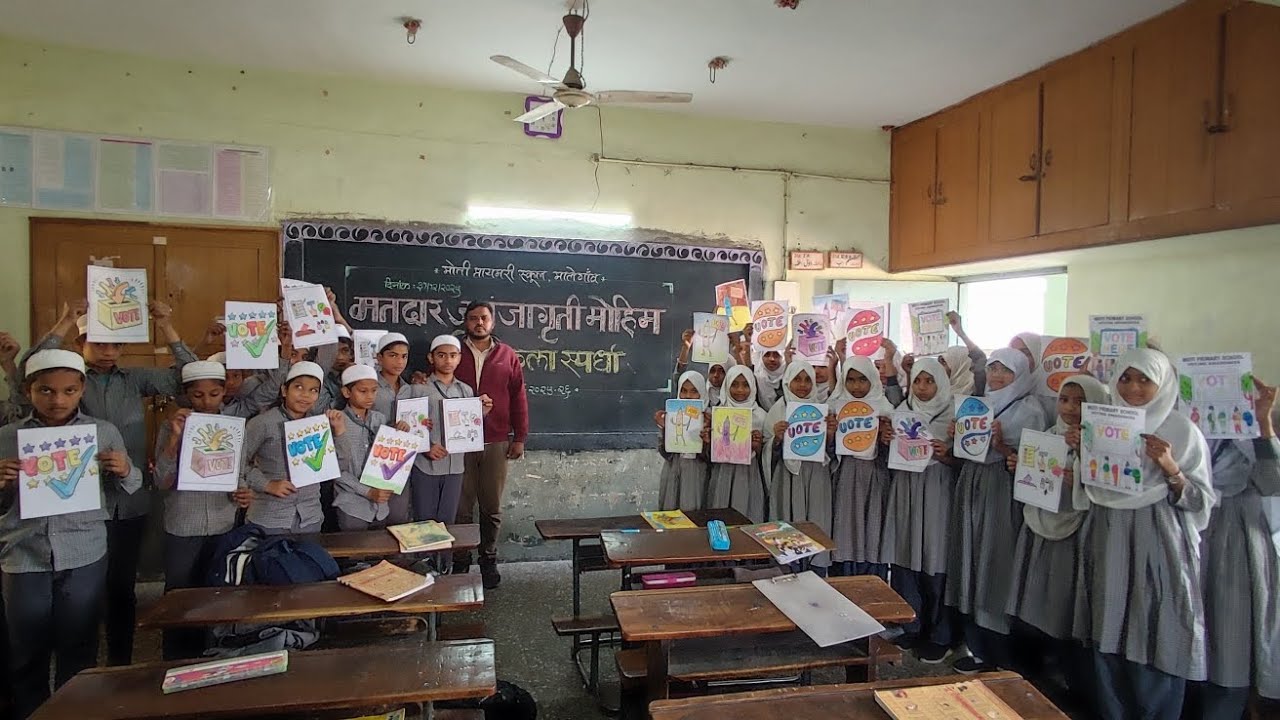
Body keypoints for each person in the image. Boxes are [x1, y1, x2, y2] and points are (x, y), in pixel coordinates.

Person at [18, 300, 196, 667]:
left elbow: (189, 376)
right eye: (99, 342)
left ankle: (120, 663)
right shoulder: (64, 379)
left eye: (116, 344)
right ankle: (68, 664)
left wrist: (166, 325)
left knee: (121, 588)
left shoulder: (133, 378)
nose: (108, 351)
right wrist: (65, 320)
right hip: (71, 506)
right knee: (76, 593)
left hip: (127, 498)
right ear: (81, 340)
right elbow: (30, 367)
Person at [1073, 349, 1213, 720]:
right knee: (1108, 623)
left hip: (1159, 540)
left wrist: (1170, 468)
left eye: (1144, 380)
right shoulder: (1101, 422)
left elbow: (1202, 502)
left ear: (1163, 383)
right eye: (1125, 378)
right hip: (1107, 534)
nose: (1133, 388)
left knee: (1157, 627)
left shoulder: (1182, 431)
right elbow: (1088, 486)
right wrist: (1078, 453)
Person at [0, 349, 141, 718]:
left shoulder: (102, 432)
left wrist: (125, 469)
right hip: (23, 553)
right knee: (25, 645)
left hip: (84, 551)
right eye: (46, 391)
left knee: (78, 642)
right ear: (29, 391)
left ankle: (75, 711)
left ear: (82, 389)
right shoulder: (8, 437)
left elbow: (130, 485)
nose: (58, 400)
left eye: (68, 390)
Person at [946, 349, 1050, 673]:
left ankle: (1002, 654)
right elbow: (965, 449)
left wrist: (1003, 447)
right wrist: (956, 437)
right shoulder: (977, 403)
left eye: (1005, 371)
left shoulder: (1030, 410)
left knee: (997, 561)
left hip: (1003, 490)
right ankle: (977, 648)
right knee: (971, 557)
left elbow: (1035, 462)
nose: (997, 377)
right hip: (973, 483)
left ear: (1020, 375)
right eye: (993, 369)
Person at [1006, 375, 1107, 693]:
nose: (1071, 408)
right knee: (1035, 598)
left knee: (1065, 607)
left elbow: (1106, 491)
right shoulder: (1048, 437)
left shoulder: (1102, 444)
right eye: (1064, 400)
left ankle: (1072, 683)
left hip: (1073, 532)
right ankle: (1036, 672)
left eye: (1081, 402)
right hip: (1039, 525)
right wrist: (1018, 467)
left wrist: (1077, 477)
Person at [1184, 379, 1279, 719]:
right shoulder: (1187, 431)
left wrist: (1263, 422)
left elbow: (1273, 482)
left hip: (1236, 542)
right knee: (1193, 632)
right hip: (1191, 533)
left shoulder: (1256, 435)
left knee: (1229, 638)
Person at [153, 360, 253, 659]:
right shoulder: (171, 427)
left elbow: (239, 473)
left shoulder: (235, 429)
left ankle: (212, 654)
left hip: (223, 521)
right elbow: (161, 479)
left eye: (214, 393)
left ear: (224, 391)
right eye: (198, 395)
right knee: (180, 595)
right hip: (184, 524)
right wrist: (174, 440)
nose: (207, 401)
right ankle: (174, 658)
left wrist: (243, 493)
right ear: (186, 395)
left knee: (216, 591)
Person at [453, 301, 528, 590]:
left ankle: (488, 558)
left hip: (496, 440)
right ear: (466, 322)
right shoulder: (453, 352)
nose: (479, 323)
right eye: (473, 319)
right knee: (461, 507)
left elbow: (518, 396)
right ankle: (460, 560)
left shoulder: (507, 355)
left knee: (491, 506)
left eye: (484, 318)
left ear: (493, 322)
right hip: (459, 441)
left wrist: (519, 436)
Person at [886, 357, 956, 663]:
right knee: (905, 552)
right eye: (917, 381)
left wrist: (947, 455)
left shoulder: (954, 416)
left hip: (937, 489)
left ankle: (939, 633)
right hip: (906, 488)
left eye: (929, 381)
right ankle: (909, 624)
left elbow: (967, 462)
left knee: (934, 556)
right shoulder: (901, 413)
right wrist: (885, 439)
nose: (923, 387)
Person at [244, 362, 339, 535]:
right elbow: (237, 462)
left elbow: (337, 464)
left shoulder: (319, 425)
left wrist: (339, 433)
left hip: (310, 517)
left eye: (313, 390)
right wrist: (266, 484)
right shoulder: (262, 423)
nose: (305, 395)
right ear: (284, 390)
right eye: (299, 387)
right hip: (270, 517)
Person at [407, 335, 492, 529]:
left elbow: (470, 426)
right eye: (442, 355)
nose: (448, 360)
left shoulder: (466, 391)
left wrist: (482, 414)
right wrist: (425, 447)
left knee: (447, 521)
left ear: (459, 358)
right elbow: (408, 425)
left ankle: (445, 560)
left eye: (453, 355)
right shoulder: (419, 388)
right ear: (431, 358)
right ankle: (425, 560)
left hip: (455, 467)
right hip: (426, 465)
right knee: (424, 521)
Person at [829, 356, 897, 579]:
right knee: (844, 529)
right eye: (850, 380)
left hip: (874, 478)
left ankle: (872, 584)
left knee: (872, 529)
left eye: (862, 379)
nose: (856, 386)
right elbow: (825, 451)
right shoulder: (834, 408)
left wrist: (886, 439)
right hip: (844, 477)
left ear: (873, 380)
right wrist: (830, 434)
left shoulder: (886, 409)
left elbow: (895, 458)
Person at [764, 361, 834, 570]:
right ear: (787, 381)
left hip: (816, 479)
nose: (802, 385)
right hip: (786, 480)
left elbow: (830, 453)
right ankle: (787, 573)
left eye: (807, 380)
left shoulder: (823, 410)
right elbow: (766, 455)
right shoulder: (776, 412)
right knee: (787, 527)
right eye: (797, 379)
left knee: (816, 526)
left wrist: (830, 435)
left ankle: (815, 576)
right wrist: (775, 439)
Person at [332, 365, 392, 531]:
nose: (370, 396)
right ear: (346, 392)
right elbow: (334, 470)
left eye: (374, 390)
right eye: (363, 391)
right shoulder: (337, 421)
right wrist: (367, 492)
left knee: (379, 553)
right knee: (354, 553)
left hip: (381, 504)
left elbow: (387, 459)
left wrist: (399, 435)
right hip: (351, 504)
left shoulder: (379, 419)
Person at [704, 366, 767, 522]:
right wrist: (708, 442)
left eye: (746, 385)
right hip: (722, 474)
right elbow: (708, 456)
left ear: (753, 387)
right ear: (727, 385)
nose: (740, 390)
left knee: (747, 516)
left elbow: (767, 458)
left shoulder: (762, 417)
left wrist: (757, 447)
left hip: (748, 475)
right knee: (720, 517)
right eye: (734, 384)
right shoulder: (717, 413)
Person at [656, 371, 711, 511]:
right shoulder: (671, 415)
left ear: (702, 393)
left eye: (694, 391)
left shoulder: (710, 418)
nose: (688, 396)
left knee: (695, 512)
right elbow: (665, 453)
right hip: (673, 470)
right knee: (671, 510)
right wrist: (664, 429)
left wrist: (706, 441)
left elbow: (711, 459)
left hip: (697, 473)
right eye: (684, 391)